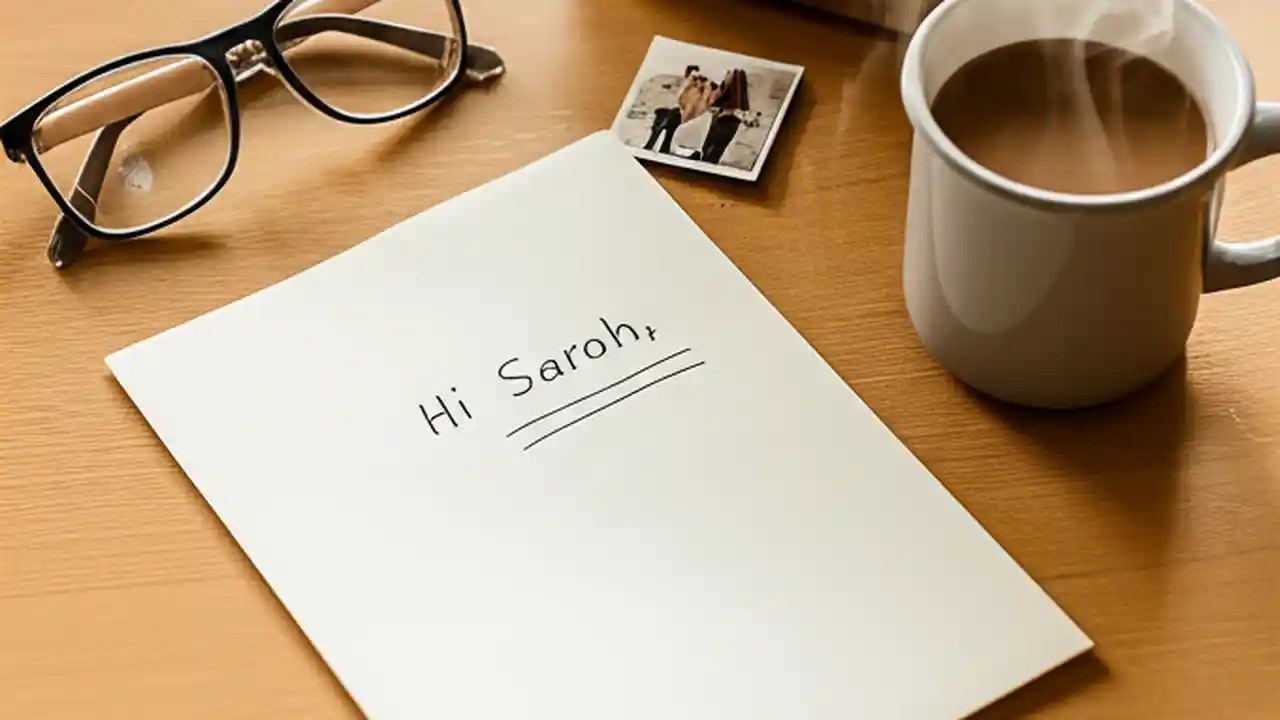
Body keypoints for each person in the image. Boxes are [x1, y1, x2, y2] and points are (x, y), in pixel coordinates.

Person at [644, 65, 716, 154]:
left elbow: (689, 104)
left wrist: (704, 86)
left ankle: (659, 145)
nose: (697, 81)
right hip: (675, 112)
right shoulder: (688, 87)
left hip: (681, 115)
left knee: (669, 125)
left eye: (700, 79)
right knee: (666, 123)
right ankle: (657, 145)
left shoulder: (698, 92)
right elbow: (679, 97)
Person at [698, 68, 750, 164]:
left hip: (728, 120)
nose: (727, 74)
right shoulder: (726, 87)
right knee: (707, 150)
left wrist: (726, 111)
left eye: (729, 73)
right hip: (723, 118)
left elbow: (736, 105)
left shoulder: (737, 76)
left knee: (712, 153)